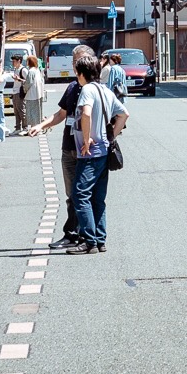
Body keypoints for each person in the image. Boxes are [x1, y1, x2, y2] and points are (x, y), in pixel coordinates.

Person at [22, 44, 103, 247]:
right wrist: (40, 125)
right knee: (72, 195)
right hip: (69, 147)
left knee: (86, 195)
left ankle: (90, 237)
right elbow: (61, 114)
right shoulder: (73, 87)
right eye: (74, 61)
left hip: (89, 150)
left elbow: (116, 116)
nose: (76, 65)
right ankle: (73, 234)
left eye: (80, 61)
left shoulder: (98, 89)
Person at [66, 50, 127, 254]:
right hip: (104, 151)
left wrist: (86, 139)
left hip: (90, 153)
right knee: (98, 197)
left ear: (81, 73)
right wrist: (111, 136)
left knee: (80, 194)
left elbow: (86, 113)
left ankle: (89, 240)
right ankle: (100, 240)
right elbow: (124, 114)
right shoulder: (105, 90)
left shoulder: (87, 90)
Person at [19, 53, 47, 132]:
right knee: (37, 112)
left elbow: (28, 83)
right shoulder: (37, 70)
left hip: (31, 95)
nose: (26, 62)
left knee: (31, 113)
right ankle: (40, 127)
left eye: (27, 61)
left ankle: (34, 128)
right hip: (38, 93)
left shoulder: (31, 71)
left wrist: (24, 89)